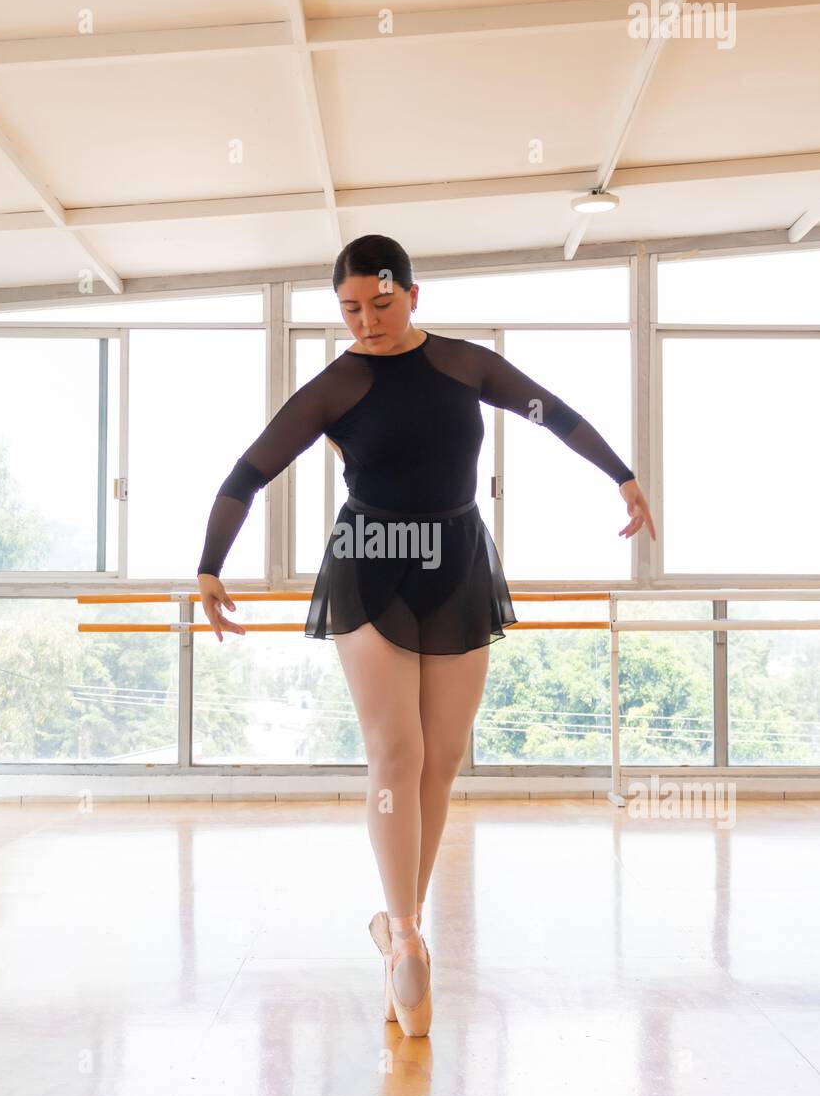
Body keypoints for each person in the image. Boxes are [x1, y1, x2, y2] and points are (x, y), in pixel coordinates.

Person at [197, 235, 656, 1036]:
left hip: (457, 560)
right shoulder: (339, 384)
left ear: (414, 294)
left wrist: (622, 475)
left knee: (441, 759)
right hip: (369, 561)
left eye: (380, 304)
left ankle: (396, 924)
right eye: (349, 311)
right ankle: (407, 939)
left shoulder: (466, 366)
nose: (366, 322)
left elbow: (557, 414)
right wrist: (209, 566)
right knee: (396, 754)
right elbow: (248, 472)